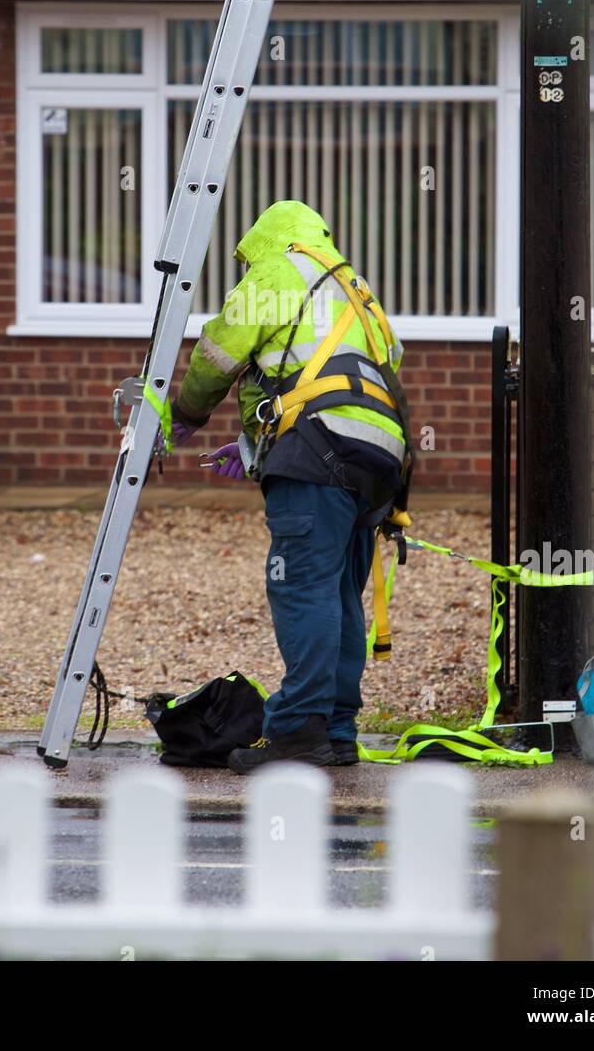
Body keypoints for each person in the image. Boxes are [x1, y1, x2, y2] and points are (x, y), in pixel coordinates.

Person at [167, 200, 411, 772]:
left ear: (261, 241)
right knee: (340, 596)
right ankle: (338, 732)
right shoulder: (356, 287)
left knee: (302, 588)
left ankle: (298, 731)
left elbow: (219, 350)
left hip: (320, 453)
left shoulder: (277, 269)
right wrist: (259, 445)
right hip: (381, 461)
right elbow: (363, 365)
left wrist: (187, 414)